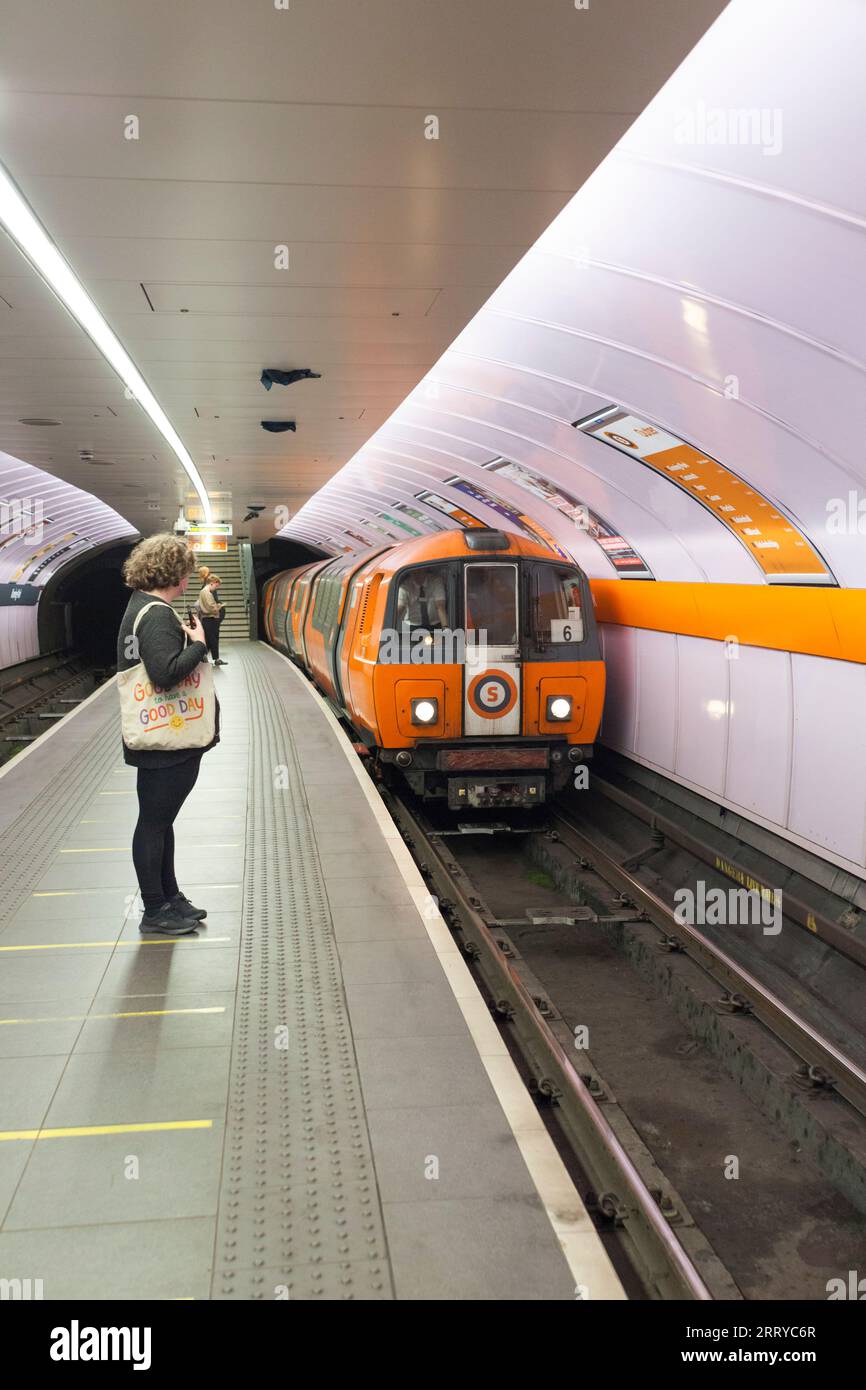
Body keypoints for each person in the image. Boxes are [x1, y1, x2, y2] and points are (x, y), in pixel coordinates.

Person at [117, 534, 220, 936]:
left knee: (161, 820)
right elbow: (165, 672)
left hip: (160, 739)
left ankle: (170, 897)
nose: (188, 581)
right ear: (174, 574)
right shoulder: (157, 613)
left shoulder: (140, 605)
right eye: (186, 574)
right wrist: (199, 644)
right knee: (154, 823)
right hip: (166, 741)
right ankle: (155, 908)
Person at [196, 567, 227, 665]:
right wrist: (219, 606)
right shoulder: (207, 592)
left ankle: (208, 657)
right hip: (210, 618)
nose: (216, 589)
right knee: (212, 638)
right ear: (212, 583)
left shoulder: (204, 590)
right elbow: (211, 607)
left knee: (210, 639)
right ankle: (208, 658)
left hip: (208, 619)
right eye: (216, 586)